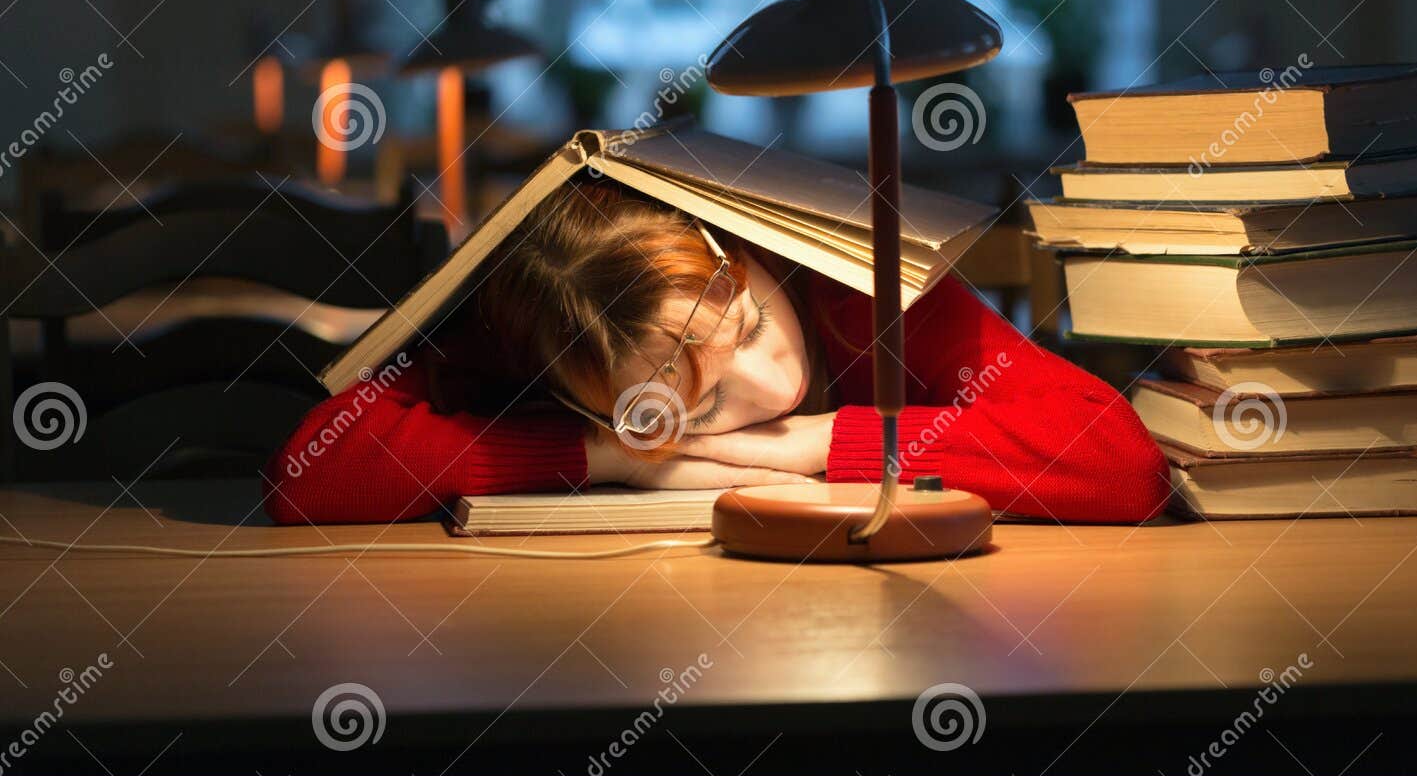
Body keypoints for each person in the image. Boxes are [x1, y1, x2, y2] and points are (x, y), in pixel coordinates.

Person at [262, 177, 1168, 525]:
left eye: (749, 327)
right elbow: (309, 475)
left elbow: (1121, 464)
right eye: (692, 408)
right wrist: (607, 455)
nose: (771, 383)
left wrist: (812, 445)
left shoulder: (852, 289)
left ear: (742, 256)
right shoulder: (545, 344)